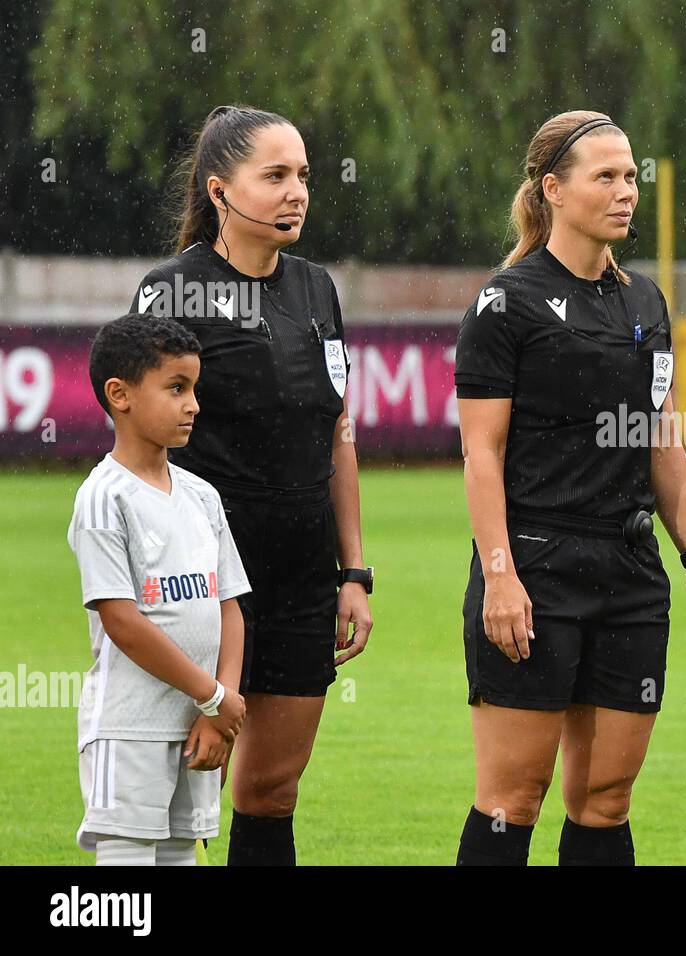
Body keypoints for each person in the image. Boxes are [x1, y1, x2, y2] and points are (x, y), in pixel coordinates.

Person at [453, 110, 686, 866]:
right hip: (535, 566)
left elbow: (659, 436)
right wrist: (501, 576)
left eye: (631, 175)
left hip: (630, 574)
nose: (625, 190)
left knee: (605, 799)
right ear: (553, 190)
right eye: (605, 176)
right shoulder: (506, 303)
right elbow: (482, 452)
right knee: (514, 799)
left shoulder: (646, 302)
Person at [132, 105, 372, 865]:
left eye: (303, 174)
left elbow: (338, 435)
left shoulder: (317, 290)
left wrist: (353, 571)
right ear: (220, 190)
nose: (296, 190)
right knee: (182, 789)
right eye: (274, 176)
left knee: (271, 792)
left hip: (301, 583)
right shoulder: (172, 291)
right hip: (198, 586)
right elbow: (135, 443)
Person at [70, 314, 250, 865]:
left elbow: (230, 608)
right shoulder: (105, 498)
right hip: (131, 728)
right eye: (176, 388)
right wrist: (216, 697)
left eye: (194, 388)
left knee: (179, 857)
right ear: (119, 395)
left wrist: (219, 706)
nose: (193, 404)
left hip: (199, 723)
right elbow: (123, 622)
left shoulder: (202, 497)